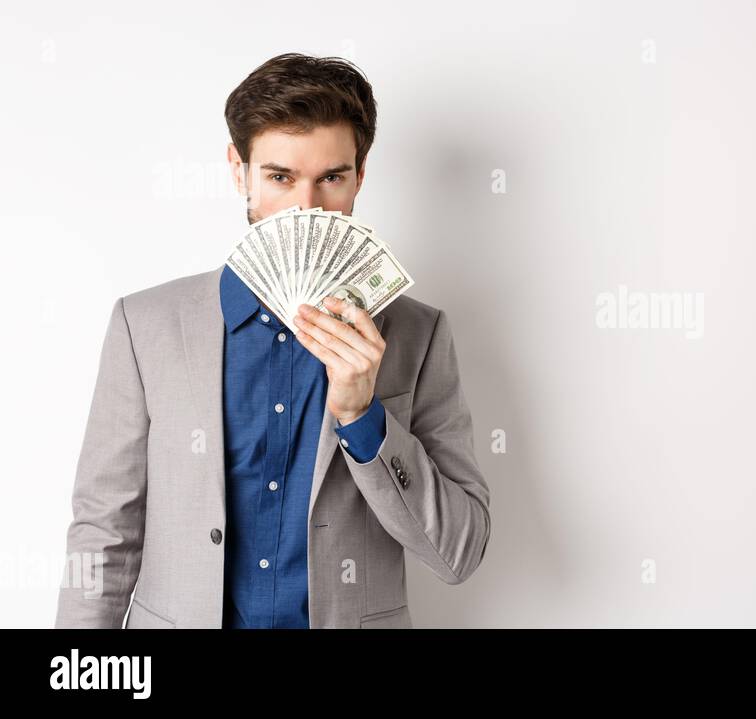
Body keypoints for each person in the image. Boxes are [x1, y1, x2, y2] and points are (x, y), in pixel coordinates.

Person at [54, 53, 490, 628]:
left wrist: (364, 418)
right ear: (240, 171)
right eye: (280, 177)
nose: (305, 208)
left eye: (331, 177)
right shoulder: (146, 326)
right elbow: (103, 531)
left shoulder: (417, 333)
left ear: (361, 174)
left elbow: (457, 554)